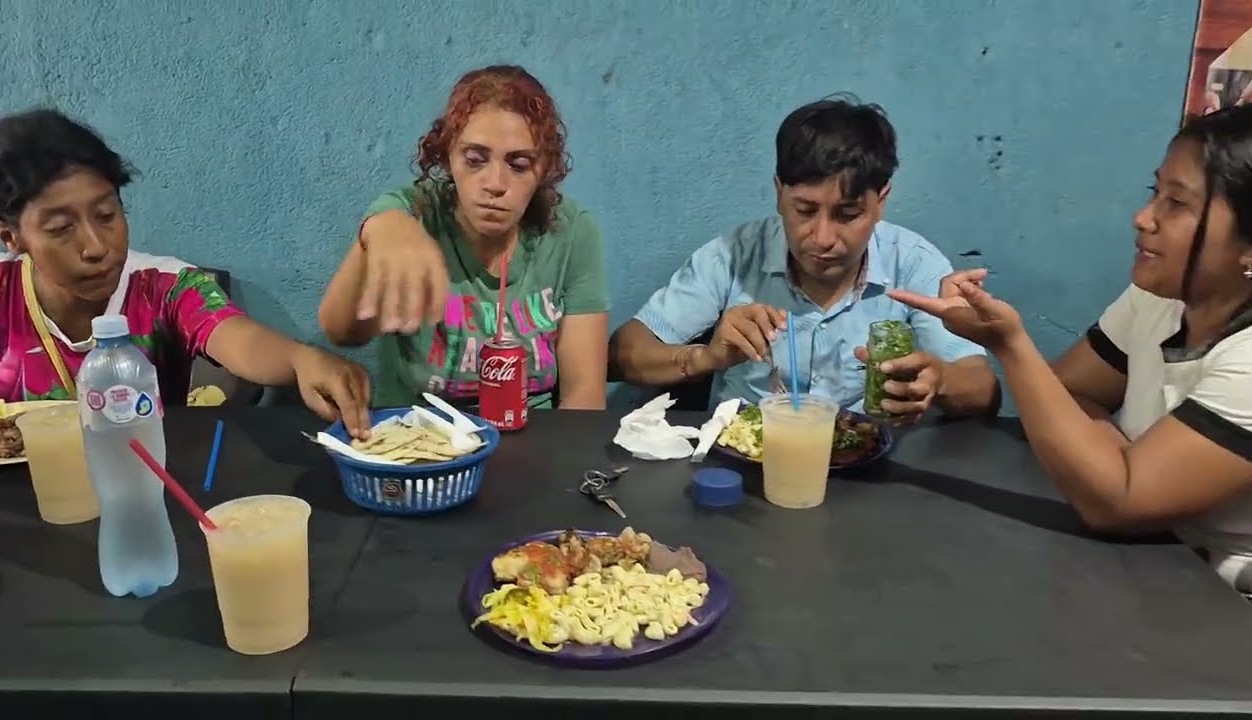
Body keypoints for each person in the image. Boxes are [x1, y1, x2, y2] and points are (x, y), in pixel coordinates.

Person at [892, 104, 1252, 591]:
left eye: (1178, 204)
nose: (1143, 217)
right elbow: (1065, 392)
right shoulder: (1158, 299)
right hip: (1142, 576)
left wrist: (1010, 344)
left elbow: (1115, 503)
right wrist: (1117, 457)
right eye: (1155, 192)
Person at [0, 109, 372, 435]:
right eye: (61, 229)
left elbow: (237, 339)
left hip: (148, 490)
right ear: (9, 236)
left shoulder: (164, 287)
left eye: (107, 215)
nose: (96, 246)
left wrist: (302, 359)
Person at [609, 95, 999, 420]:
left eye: (848, 214)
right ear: (779, 193)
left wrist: (939, 379)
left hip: (867, 470)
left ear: (880, 202)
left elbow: (982, 389)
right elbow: (624, 353)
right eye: (804, 210)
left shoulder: (913, 263)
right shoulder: (734, 256)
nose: (824, 238)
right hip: (742, 466)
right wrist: (705, 357)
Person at [319, 65, 610, 410]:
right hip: (420, 436)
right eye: (474, 160)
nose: (495, 184)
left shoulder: (570, 232)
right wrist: (378, 230)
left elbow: (584, 396)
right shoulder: (411, 216)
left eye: (518, 165)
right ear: (447, 157)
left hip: (535, 438)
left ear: (544, 168)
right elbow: (341, 332)